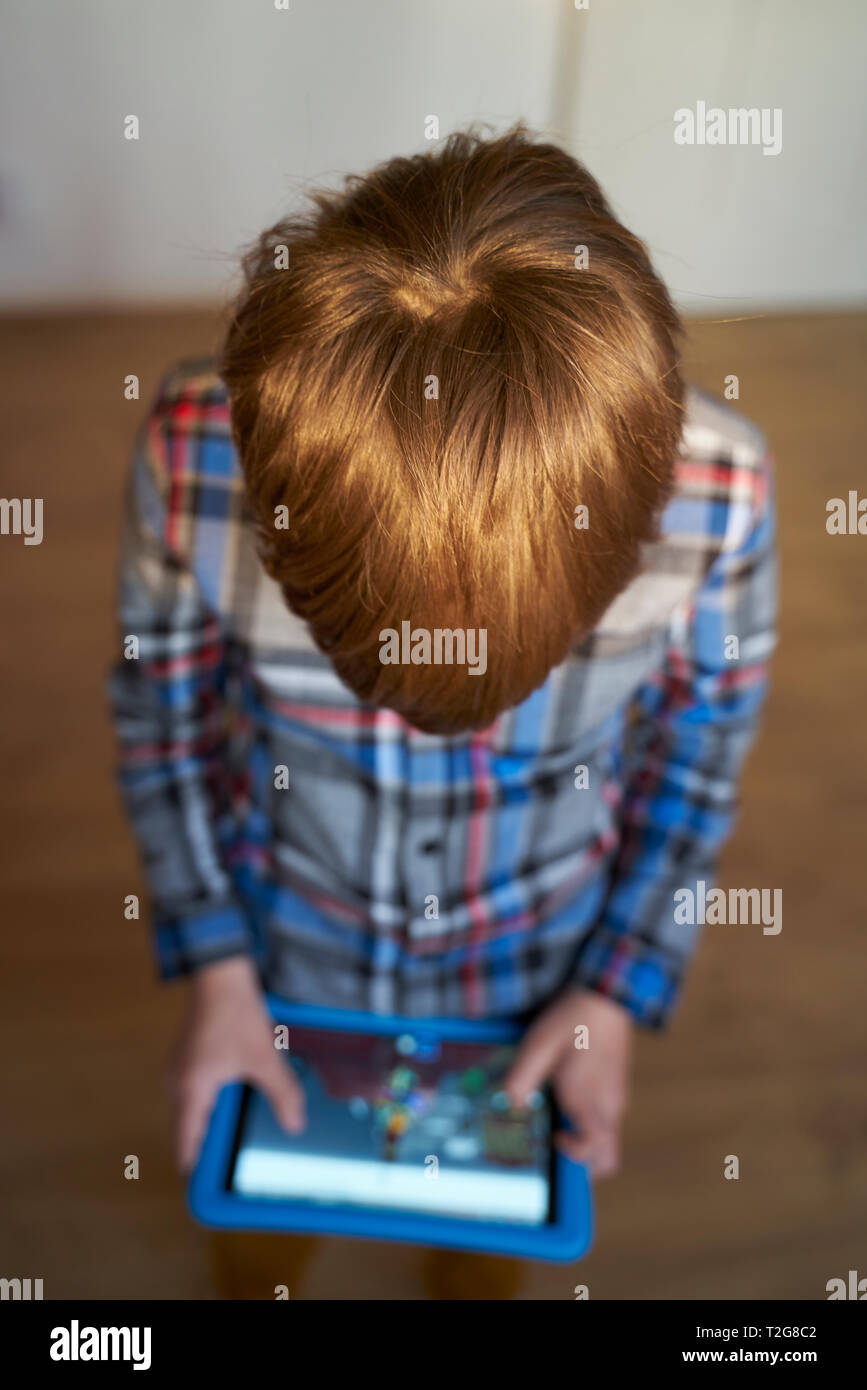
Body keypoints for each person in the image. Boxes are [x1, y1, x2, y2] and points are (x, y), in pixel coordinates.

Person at [109, 125, 777, 1299]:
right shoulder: (189, 451)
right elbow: (159, 717)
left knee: (482, 1268)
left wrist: (614, 990)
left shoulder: (723, 497)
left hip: (533, 986)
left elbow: (698, 765)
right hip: (282, 960)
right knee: (256, 1248)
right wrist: (216, 964)